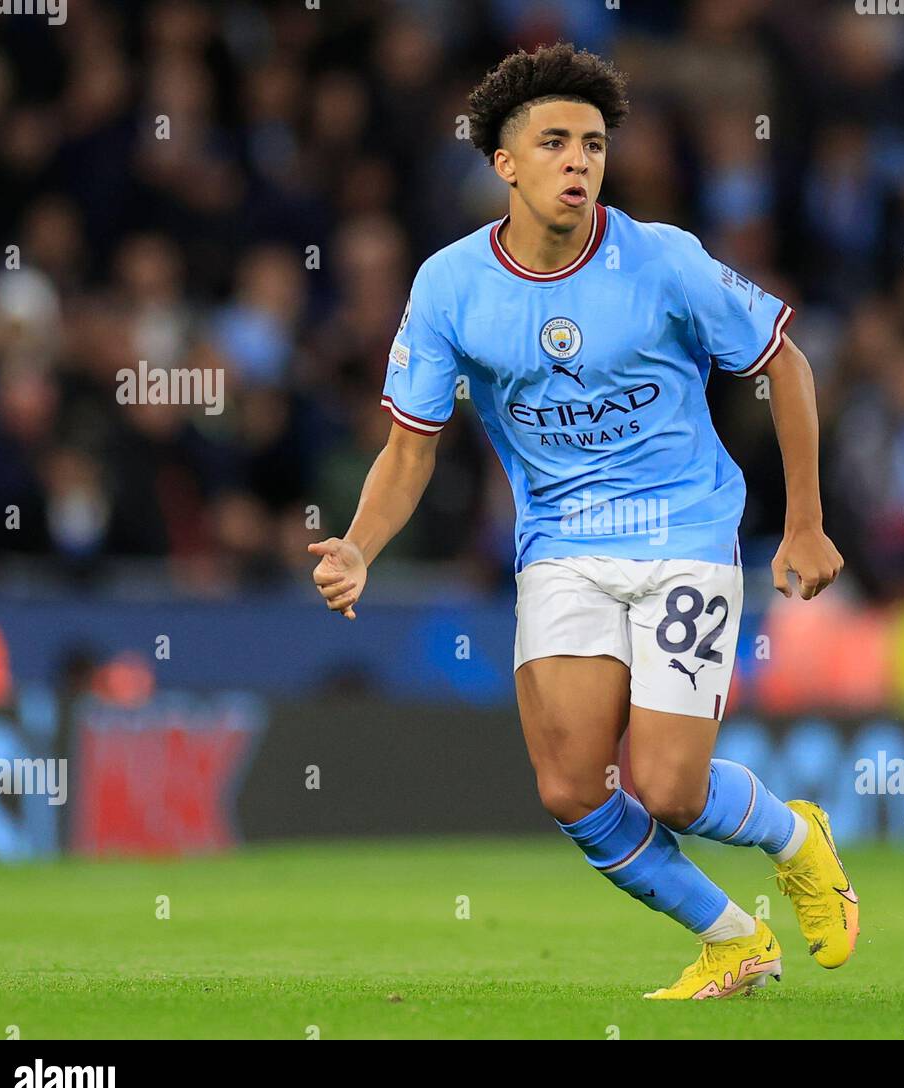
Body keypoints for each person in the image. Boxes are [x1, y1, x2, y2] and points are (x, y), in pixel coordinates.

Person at [309, 42, 857, 1000]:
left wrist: (803, 525)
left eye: (594, 144)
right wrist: (359, 544)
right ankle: (734, 939)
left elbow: (787, 364)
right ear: (504, 164)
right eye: (555, 141)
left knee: (672, 788)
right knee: (570, 788)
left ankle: (794, 834)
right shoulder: (448, 286)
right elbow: (410, 449)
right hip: (562, 546)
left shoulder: (663, 259)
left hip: (685, 530)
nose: (579, 161)